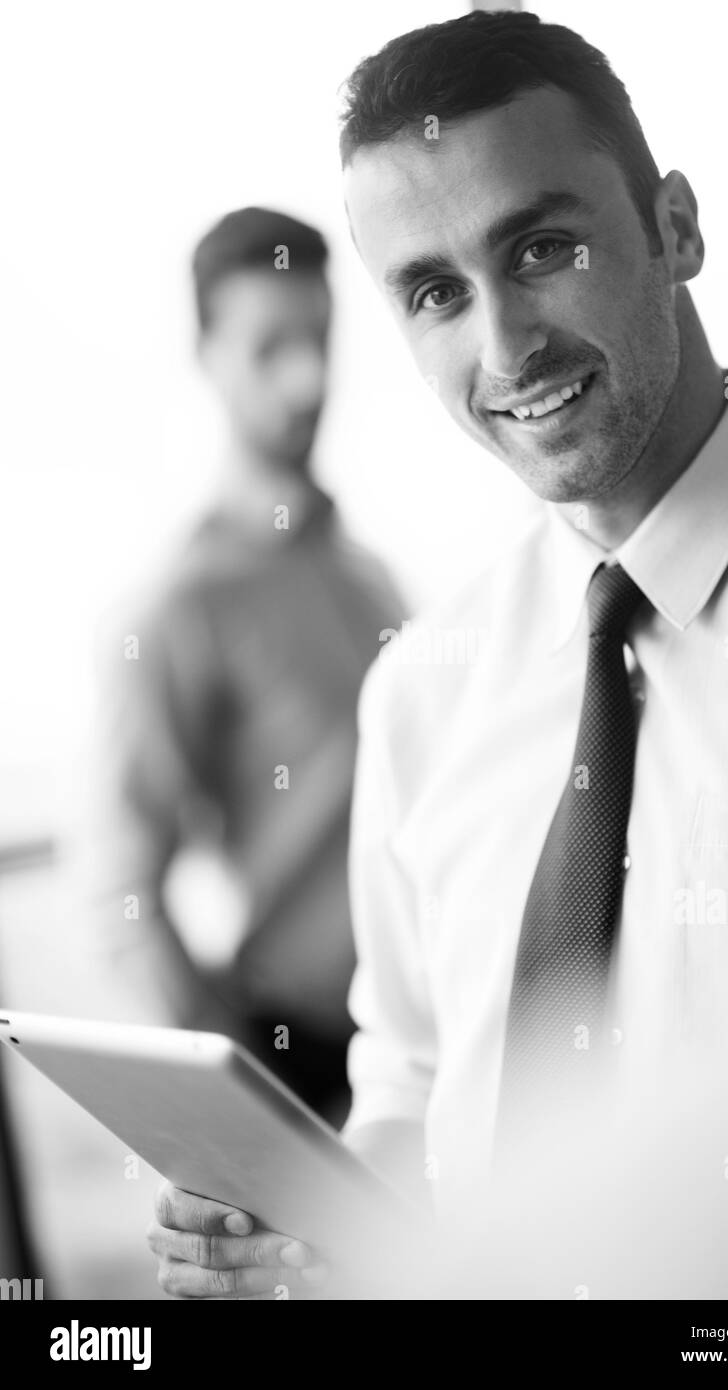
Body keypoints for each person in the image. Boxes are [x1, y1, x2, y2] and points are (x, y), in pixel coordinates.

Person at [147, 13, 728, 1297]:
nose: (503, 348)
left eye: (542, 247)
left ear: (675, 229)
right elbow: (411, 1082)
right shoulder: (421, 687)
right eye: (431, 292)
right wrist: (308, 1244)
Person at [93, 207, 403, 1127]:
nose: (307, 379)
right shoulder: (177, 607)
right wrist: (250, 1116)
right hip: (303, 1065)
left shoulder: (371, 575)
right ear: (205, 353)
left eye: (318, 340)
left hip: (428, 1044)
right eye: (270, 347)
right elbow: (120, 893)